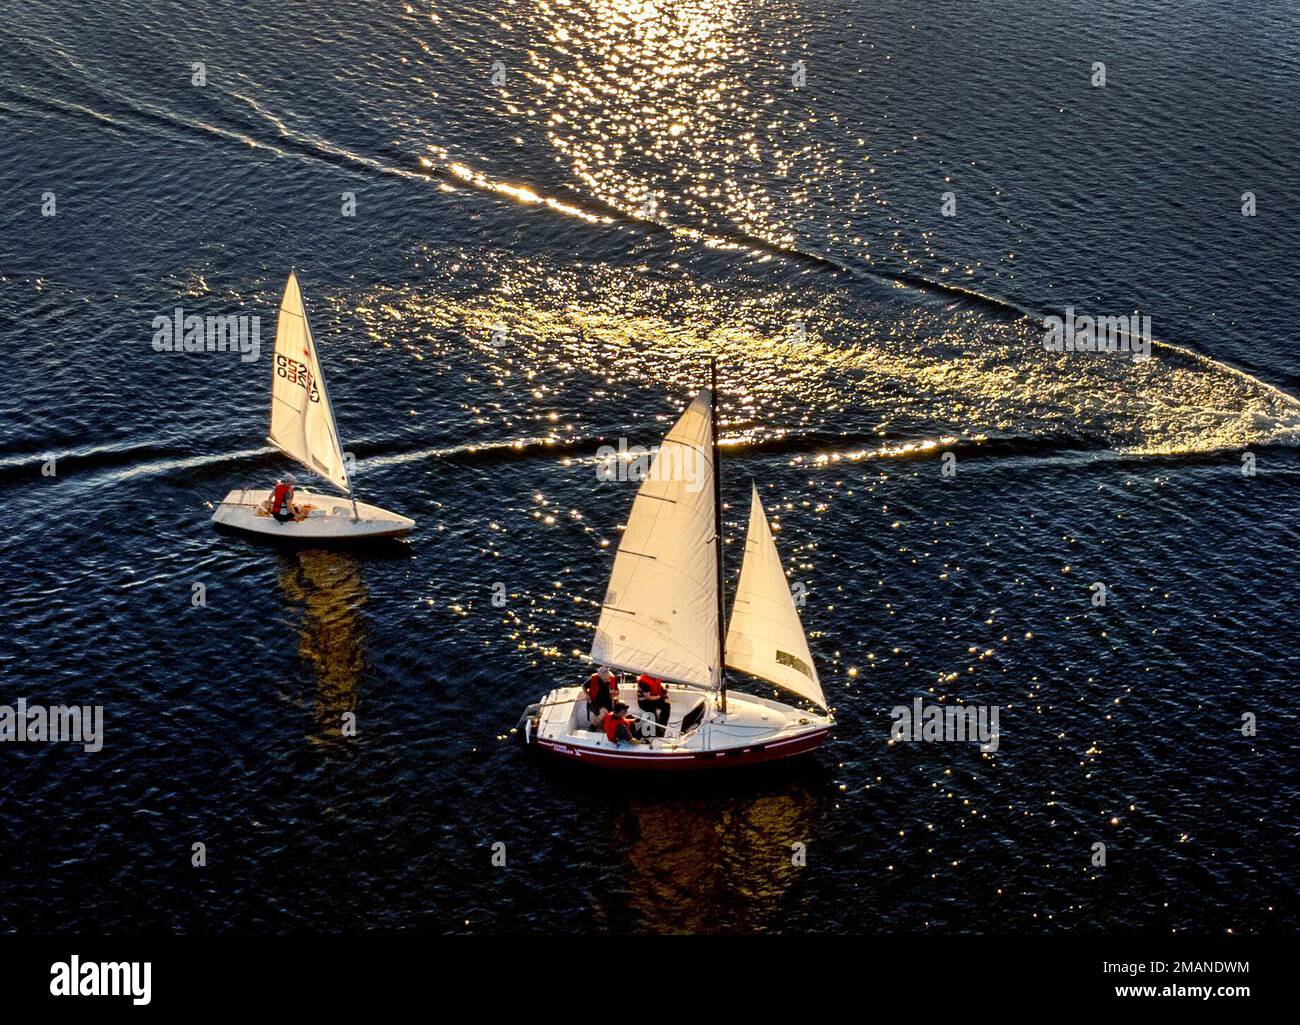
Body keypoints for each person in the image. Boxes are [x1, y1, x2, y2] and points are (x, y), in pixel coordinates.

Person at [636, 673, 671, 738]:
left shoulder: (655, 677)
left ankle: (662, 726)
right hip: (644, 701)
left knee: (667, 706)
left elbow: (658, 686)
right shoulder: (644, 683)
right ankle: (642, 735)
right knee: (652, 716)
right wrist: (661, 697)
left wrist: (663, 691)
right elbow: (648, 697)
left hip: (654, 698)